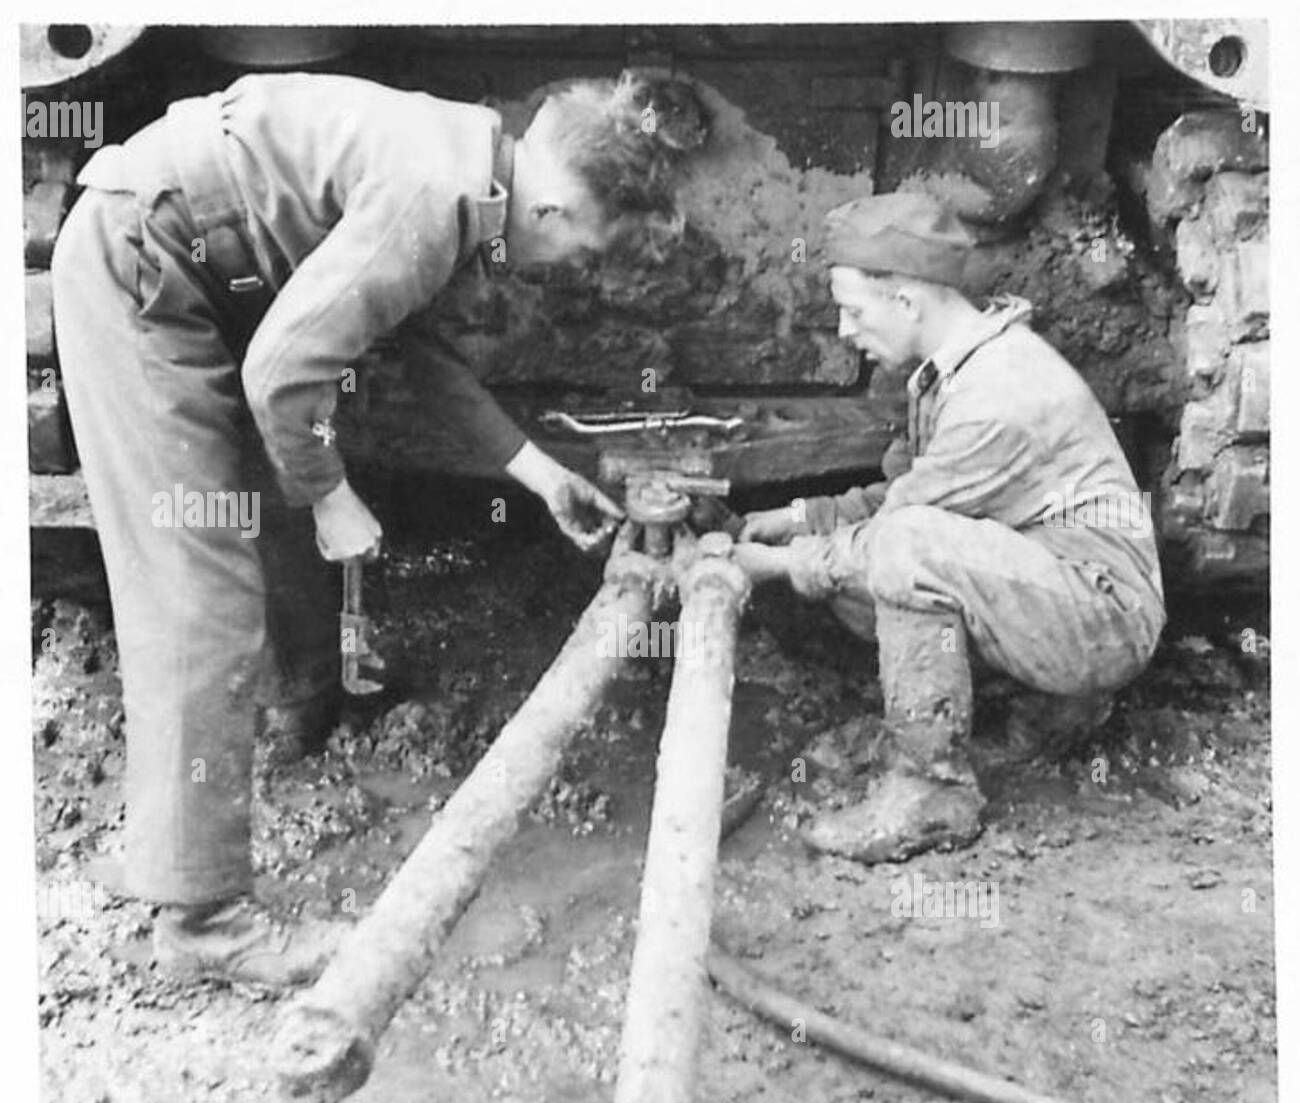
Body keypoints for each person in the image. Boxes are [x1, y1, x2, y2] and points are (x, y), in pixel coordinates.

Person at [52, 70, 688, 985]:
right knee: (196, 593)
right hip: (140, 275)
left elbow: (415, 347)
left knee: (255, 511)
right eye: (580, 248)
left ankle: (294, 712)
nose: (567, 269)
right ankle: (203, 921)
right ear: (549, 209)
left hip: (196, 276)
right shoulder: (436, 195)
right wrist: (330, 494)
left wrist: (540, 474)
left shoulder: (473, 165)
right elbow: (281, 375)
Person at [734, 192, 1166, 865]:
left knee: (900, 554)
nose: (846, 331)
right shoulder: (956, 369)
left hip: (1103, 617)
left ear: (907, 301)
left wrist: (776, 566)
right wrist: (794, 518)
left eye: (853, 311)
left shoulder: (997, 396)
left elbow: (897, 531)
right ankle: (1031, 711)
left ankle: (931, 791)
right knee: (887, 552)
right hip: (1055, 582)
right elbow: (900, 492)